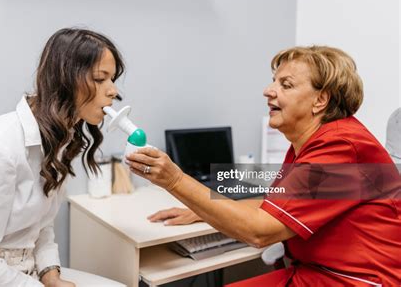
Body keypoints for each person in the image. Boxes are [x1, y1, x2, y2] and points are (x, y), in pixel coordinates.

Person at [126, 46, 400, 286]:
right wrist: (203, 210)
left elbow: (261, 231)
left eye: (286, 85)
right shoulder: (314, 142)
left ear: (320, 100)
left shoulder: (340, 148)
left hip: (357, 280)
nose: (268, 91)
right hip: (323, 273)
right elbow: (278, 205)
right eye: (273, 82)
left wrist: (175, 180)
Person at [0, 28, 124, 286]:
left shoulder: (59, 141)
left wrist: (51, 276)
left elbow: (40, 226)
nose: (113, 91)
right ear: (65, 80)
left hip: (26, 275)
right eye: (101, 79)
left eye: (112, 79)